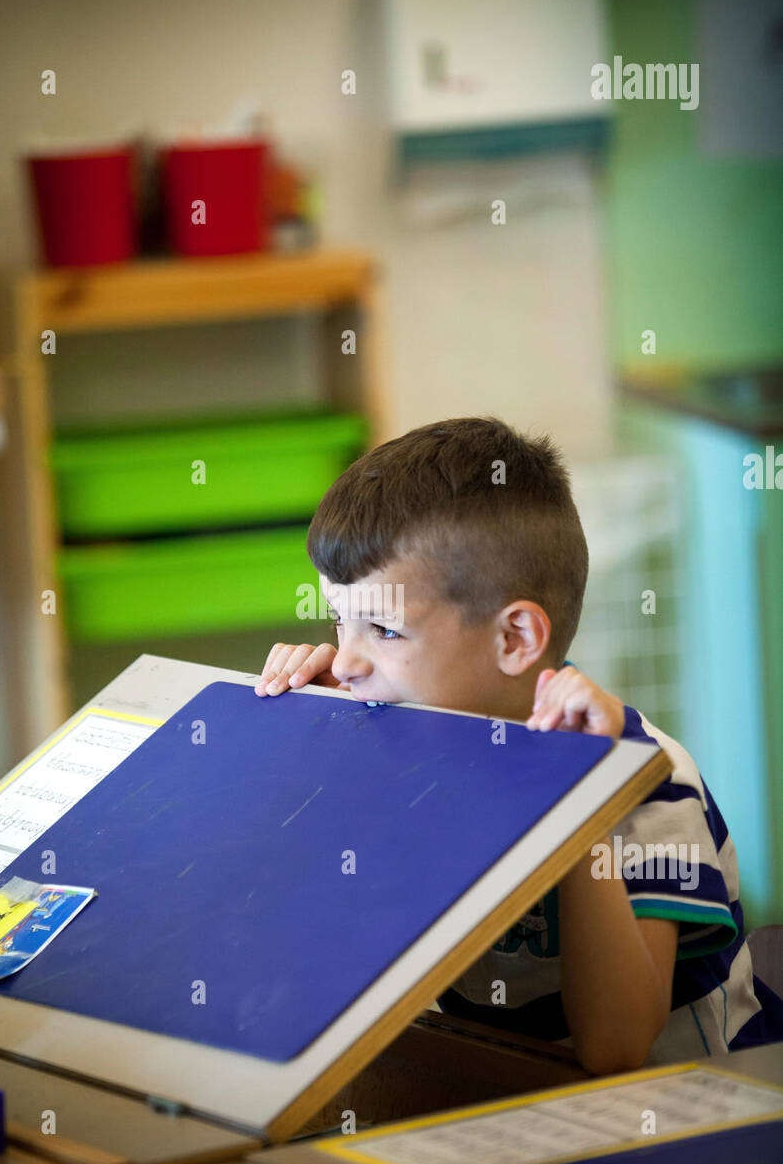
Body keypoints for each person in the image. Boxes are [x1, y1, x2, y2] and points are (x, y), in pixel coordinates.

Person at [256, 417, 783, 1072]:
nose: (350, 659)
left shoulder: (649, 782)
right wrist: (301, 744)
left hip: (687, 1116)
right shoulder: (411, 755)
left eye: (384, 630)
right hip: (502, 1093)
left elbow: (616, 1050)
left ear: (514, 640)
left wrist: (572, 804)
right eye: (340, 620)